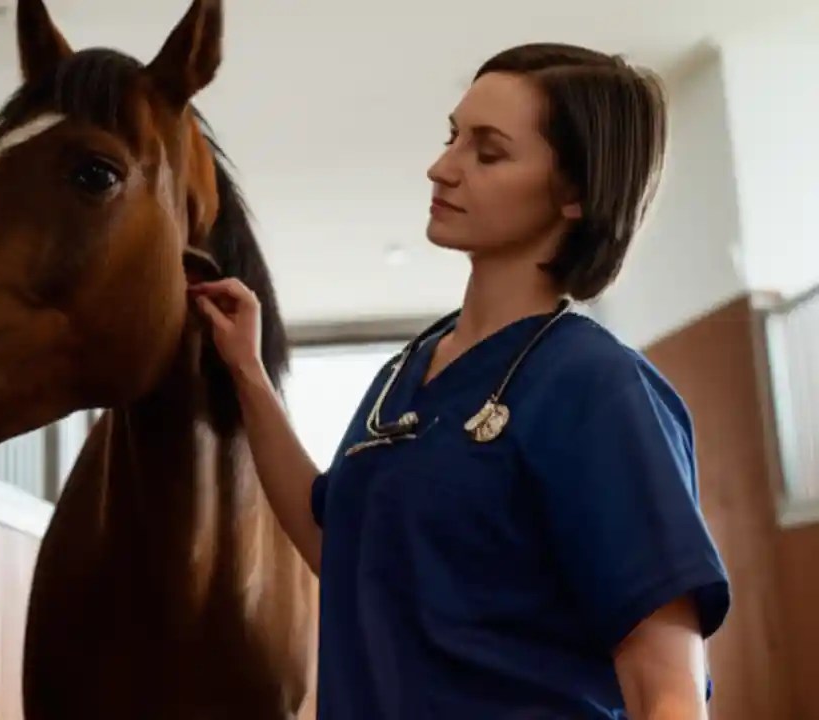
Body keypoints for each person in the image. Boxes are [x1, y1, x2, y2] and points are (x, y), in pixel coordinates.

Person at [189, 42, 731, 719]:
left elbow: (667, 692)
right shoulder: (404, 374)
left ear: (575, 194)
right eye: (452, 137)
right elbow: (343, 551)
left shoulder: (596, 387)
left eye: (488, 151)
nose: (441, 168)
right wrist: (246, 371)